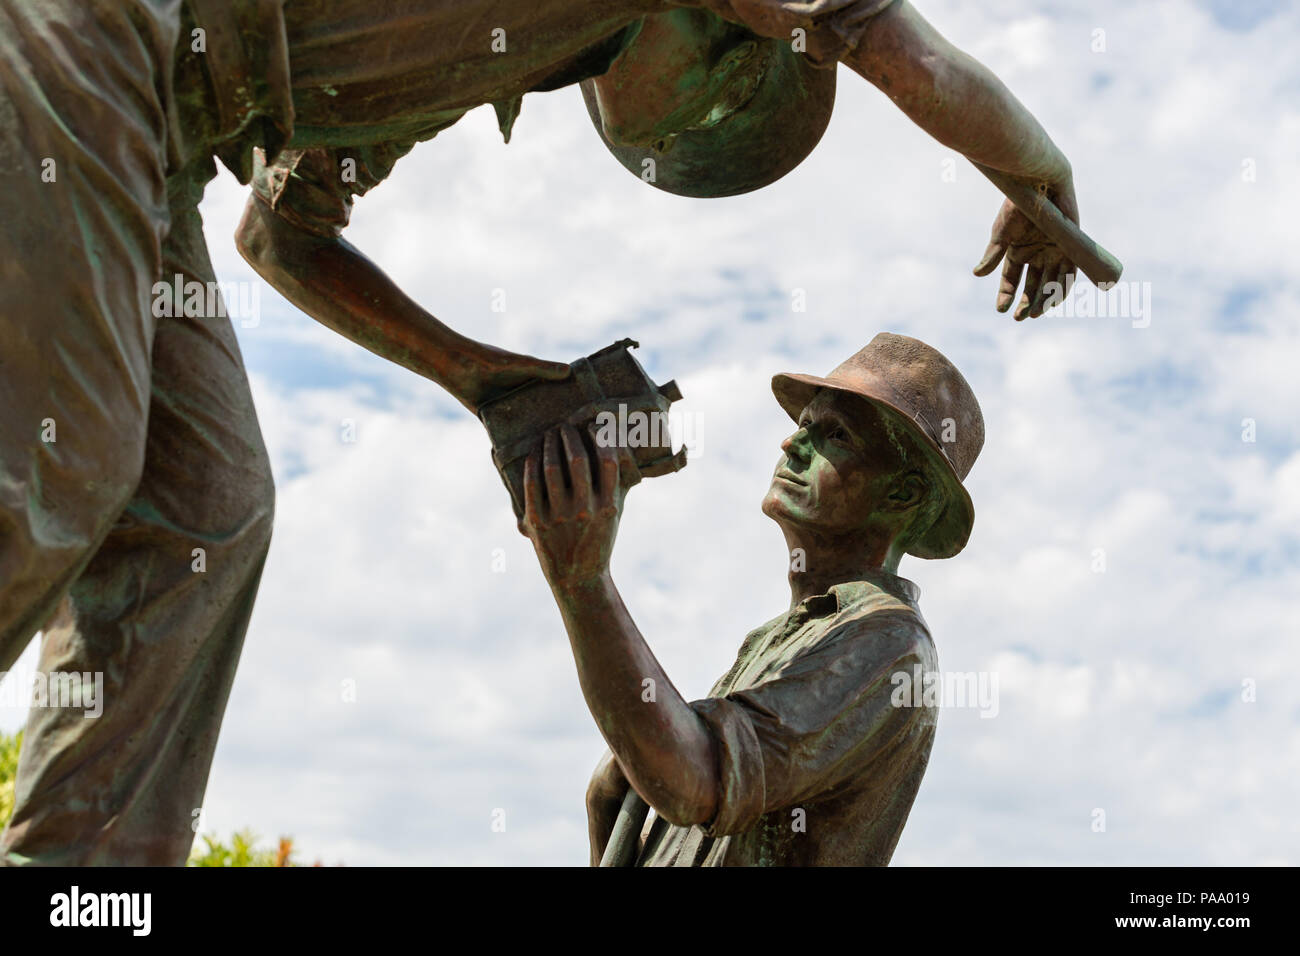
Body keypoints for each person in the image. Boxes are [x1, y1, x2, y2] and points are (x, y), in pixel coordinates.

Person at [0, 0, 1062, 863]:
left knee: (208, 514)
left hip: (160, 128)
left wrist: (495, 384)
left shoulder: (489, 58)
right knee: (63, 472)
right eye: (715, 108)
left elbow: (280, 234)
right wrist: (1034, 171)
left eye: (838, 436)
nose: (678, 135)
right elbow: (890, 40)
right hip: (95, 38)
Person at [515, 333, 983, 865]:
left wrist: (583, 581)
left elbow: (697, 781)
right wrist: (610, 803)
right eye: (802, 425)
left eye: (836, 434)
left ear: (903, 493)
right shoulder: (779, 639)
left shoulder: (889, 643)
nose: (792, 444)